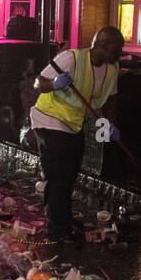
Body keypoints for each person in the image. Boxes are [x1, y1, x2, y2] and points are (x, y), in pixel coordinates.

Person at [28, 26, 125, 242]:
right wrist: (54, 84)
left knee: (71, 173)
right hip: (49, 119)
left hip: (74, 124)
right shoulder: (70, 59)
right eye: (115, 50)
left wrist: (107, 126)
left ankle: (64, 218)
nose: (118, 56)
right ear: (101, 45)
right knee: (58, 174)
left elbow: (111, 100)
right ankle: (57, 228)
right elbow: (38, 82)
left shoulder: (112, 68)